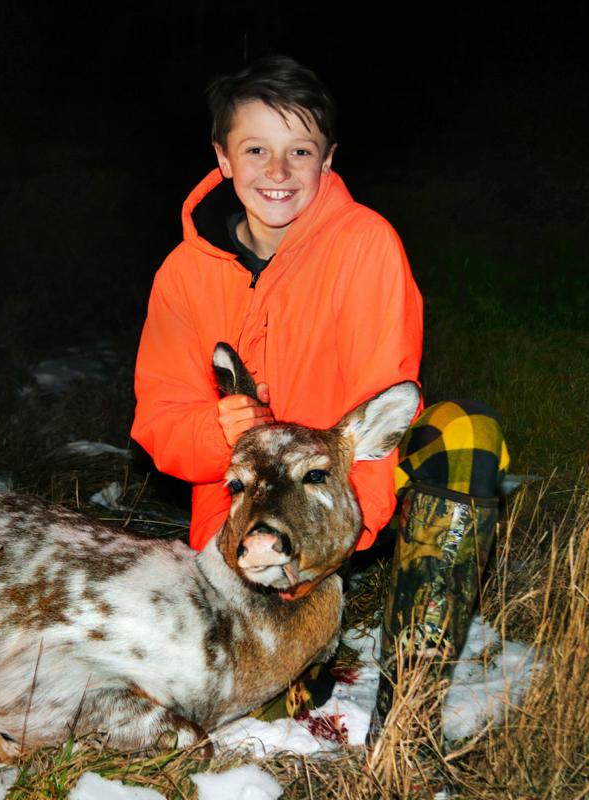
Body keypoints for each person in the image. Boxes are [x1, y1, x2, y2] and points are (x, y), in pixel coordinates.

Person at [130, 55, 509, 742]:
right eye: (256, 151)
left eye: (299, 151)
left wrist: (325, 546)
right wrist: (219, 431)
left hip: (338, 502)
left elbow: (378, 410)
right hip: (240, 531)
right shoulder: (184, 275)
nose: (278, 173)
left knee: (465, 436)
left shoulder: (366, 246)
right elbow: (158, 426)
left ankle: (410, 718)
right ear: (222, 158)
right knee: (261, 707)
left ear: (327, 159)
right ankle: (296, 653)